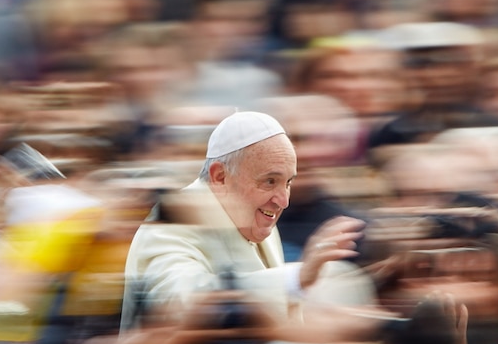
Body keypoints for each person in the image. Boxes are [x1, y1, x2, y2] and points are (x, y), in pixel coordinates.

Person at [121, 110, 368, 330]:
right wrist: (296, 277)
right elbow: (180, 301)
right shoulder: (174, 218)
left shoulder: (258, 215)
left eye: (288, 182)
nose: (283, 201)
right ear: (219, 177)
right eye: (270, 181)